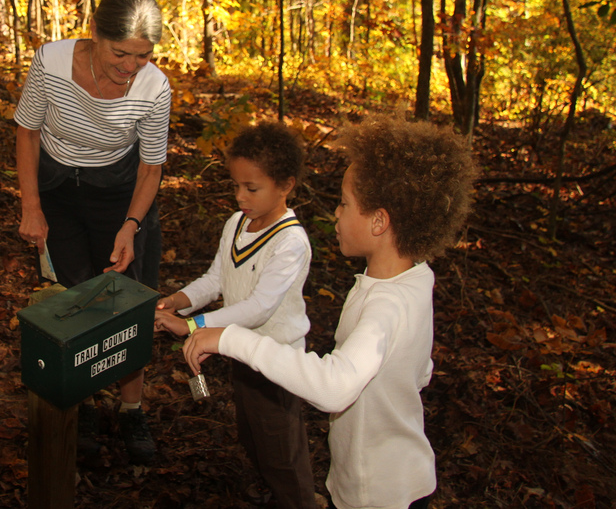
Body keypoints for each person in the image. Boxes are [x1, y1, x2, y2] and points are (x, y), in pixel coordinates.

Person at [184, 117, 475, 509]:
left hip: (376, 495)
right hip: (398, 475)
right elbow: (421, 369)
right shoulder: (414, 279)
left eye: (344, 203)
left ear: (379, 221)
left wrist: (231, 338)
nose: (336, 214)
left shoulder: (385, 306)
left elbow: (335, 387)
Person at [14, 0, 172, 464]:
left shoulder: (154, 88)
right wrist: (31, 206)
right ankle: (81, 398)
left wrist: (130, 226)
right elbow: (28, 130)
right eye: (120, 53)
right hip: (58, 188)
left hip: (120, 191)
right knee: (72, 295)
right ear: (95, 34)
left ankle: (131, 408)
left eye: (142, 55)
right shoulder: (51, 62)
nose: (130, 66)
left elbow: (151, 167)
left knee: (127, 299)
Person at [154, 121, 317, 509]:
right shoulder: (237, 223)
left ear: (286, 185)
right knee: (253, 432)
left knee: (281, 447)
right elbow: (217, 278)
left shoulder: (290, 242)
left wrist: (192, 325)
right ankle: (271, 489)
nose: (240, 196)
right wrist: (179, 300)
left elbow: (259, 308)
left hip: (277, 360)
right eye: (236, 186)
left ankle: (297, 501)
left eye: (251, 188)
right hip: (241, 349)